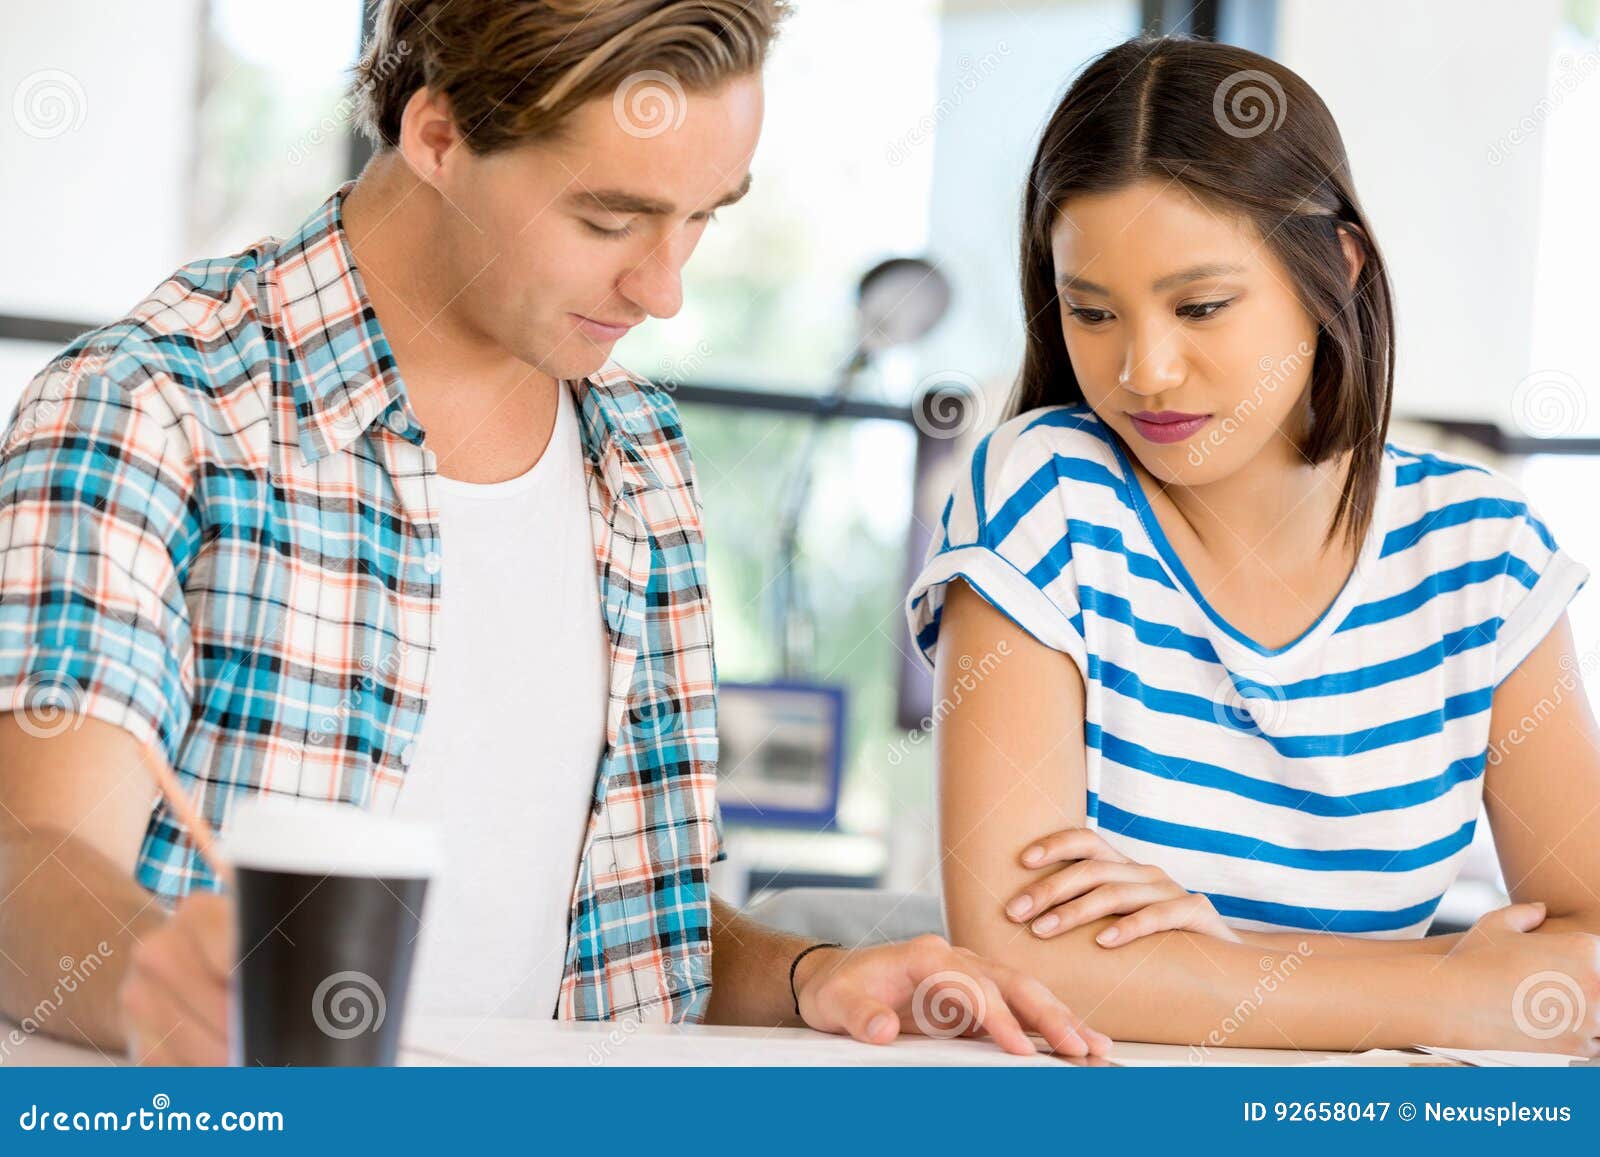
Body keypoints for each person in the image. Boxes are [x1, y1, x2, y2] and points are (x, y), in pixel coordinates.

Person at [0, 0, 1112, 1065]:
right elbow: (30, 864)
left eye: (703, 216)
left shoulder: (636, 451)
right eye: (608, 217)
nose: (663, 287)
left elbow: (626, 935)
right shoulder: (152, 407)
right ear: (436, 133)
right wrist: (175, 983)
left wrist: (810, 975)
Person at [907, 35, 1600, 1056]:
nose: (1143, 369)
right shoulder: (1043, 495)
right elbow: (1026, 961)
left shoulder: (1479, 558)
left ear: (1337, 268)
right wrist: (1450, 986)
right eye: (1091, 312)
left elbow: (1584, 966)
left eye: (1200, 306)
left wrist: (1210, 957)